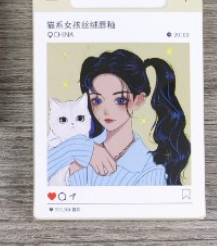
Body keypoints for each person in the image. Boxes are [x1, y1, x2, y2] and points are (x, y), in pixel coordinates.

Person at [47, 49, 190, 186]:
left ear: (138, 100)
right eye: (97, 100)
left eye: (119, 100)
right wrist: (75, 148)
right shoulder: (82, 146)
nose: (106, 111)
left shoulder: (150, 171)